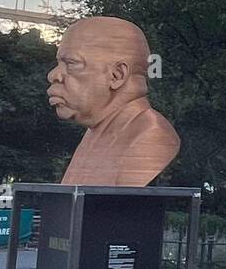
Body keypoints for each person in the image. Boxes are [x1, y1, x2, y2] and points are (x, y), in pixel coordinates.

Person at [47, 16, 180, 187]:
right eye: (59, 64)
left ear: (117, 75)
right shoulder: (96, 132)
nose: (53, 75)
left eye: (72, 63)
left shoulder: (152, 134)